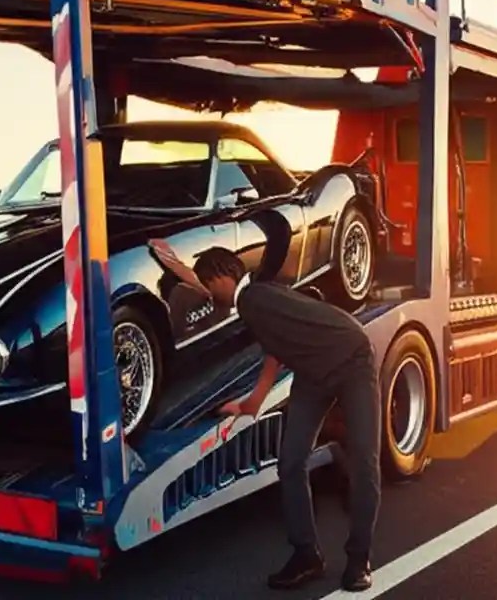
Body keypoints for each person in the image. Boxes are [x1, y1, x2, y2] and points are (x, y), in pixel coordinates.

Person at [148, 239, 381, 592]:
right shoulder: (259, 304)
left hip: (352, 361)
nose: (211, 297)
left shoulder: (253, 297)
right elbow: (274, 351)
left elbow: (207, 290)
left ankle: (359, 559)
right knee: (290, 462)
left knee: (365, 461)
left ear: (225, 276)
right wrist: (253, 403)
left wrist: (176, 265)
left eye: (211, 286)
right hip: (311, 372)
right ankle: (307, 555)